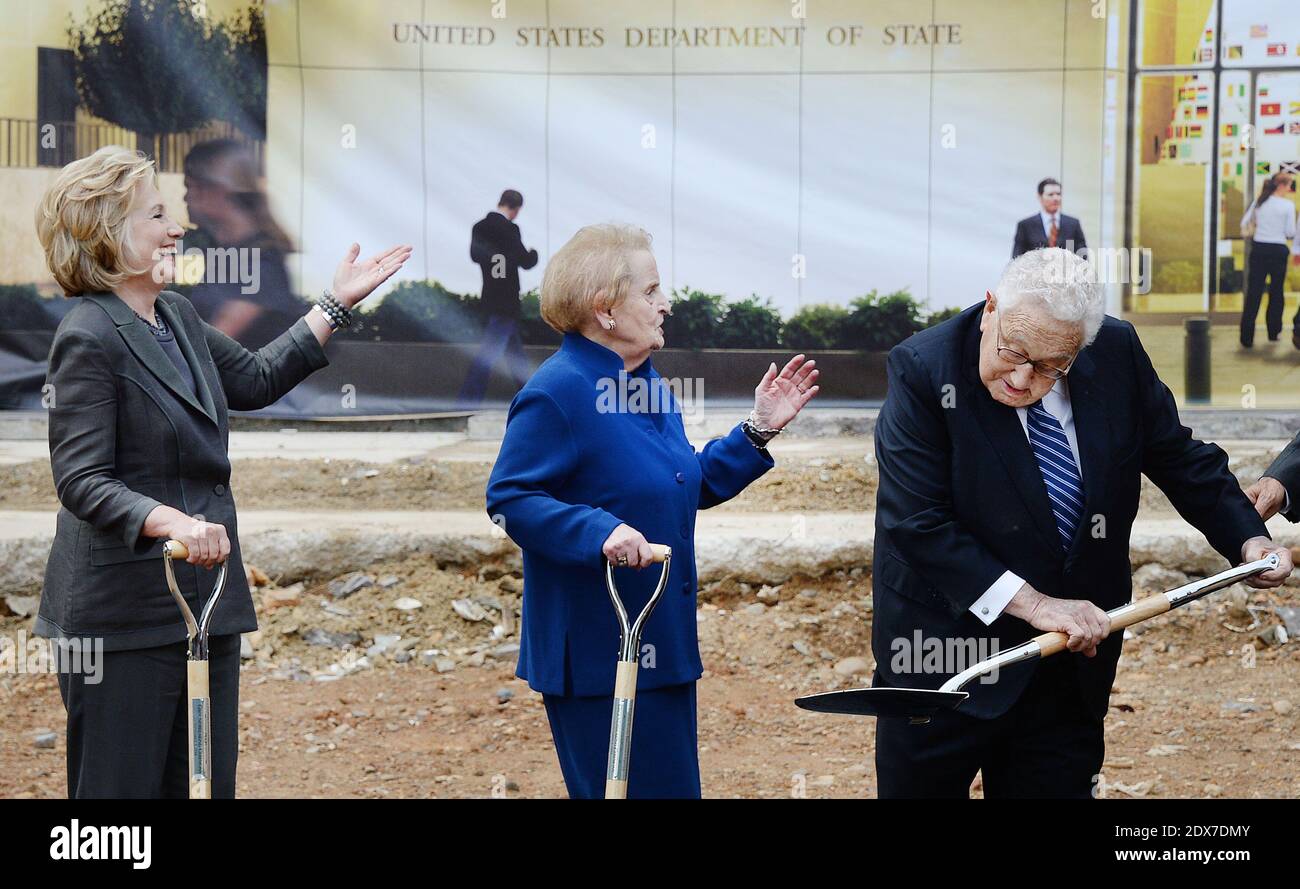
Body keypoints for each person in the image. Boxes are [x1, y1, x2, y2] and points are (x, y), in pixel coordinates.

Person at [33, 145, 411, 798]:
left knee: (203, 784)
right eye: (156, 214)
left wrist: (336, 304)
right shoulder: (87, 335)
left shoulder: (175, 316)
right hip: (121, 618)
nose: (177, 225)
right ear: (109, 234)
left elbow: (257, 378)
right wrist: (173, 520)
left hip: (203, 602)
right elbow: (81, 480)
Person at [871, 247, 1291, 799]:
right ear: (991, 306)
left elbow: (1177, 455)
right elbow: (919, 523)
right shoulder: (924, 369)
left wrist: (1247, 537)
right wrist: (1039, 606)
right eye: (1013, 352)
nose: (1023, 379)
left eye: (1050, 367)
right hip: (947, 656)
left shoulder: (1114, 350)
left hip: (1074, 655)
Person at [485, 224, 818, 798]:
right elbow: (510, 499)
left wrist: (757, 431)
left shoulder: (646, 384)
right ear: (605, 308)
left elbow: (678, 483)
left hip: (660, 645)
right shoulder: (556, 392)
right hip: (597, 657)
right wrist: (599, 531)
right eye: (651, 290)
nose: (666, 303)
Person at [182, 139, 306, 350]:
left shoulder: (261, 263)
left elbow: (211, 348)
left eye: (191, 187)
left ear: (217, 190)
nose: (185, 197)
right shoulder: (228, 255)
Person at [459, 189, 540, 407]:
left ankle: (532, 398)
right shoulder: (510, 229)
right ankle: (467, 402)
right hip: (507, 299)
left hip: (490, 296)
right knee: (490, 354)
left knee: (515, 356)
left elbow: (475, 256)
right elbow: (526, 260)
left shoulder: (480, 227)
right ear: (516, 208)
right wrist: (534, 253)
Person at [1238, 172, 1300, 349]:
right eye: (1289, 185)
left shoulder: (1260, 201)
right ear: (1282, 186)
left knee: (1254, 293)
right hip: (1278, 250)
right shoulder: (1287, 205)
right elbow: (1290, 231)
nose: (1290, 189)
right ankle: (1274, 332)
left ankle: (1246, 336)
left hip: (1258, 249)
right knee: (1276, 292)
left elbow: (1245, 222)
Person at [1012, 178, 1087, 258]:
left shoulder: (1073, 224)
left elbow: (1082, 256)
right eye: (1050, 194)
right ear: (1040, 197)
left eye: (1058, 194)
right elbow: (1017, 259)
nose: (1056, 198)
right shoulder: (1025, 226)